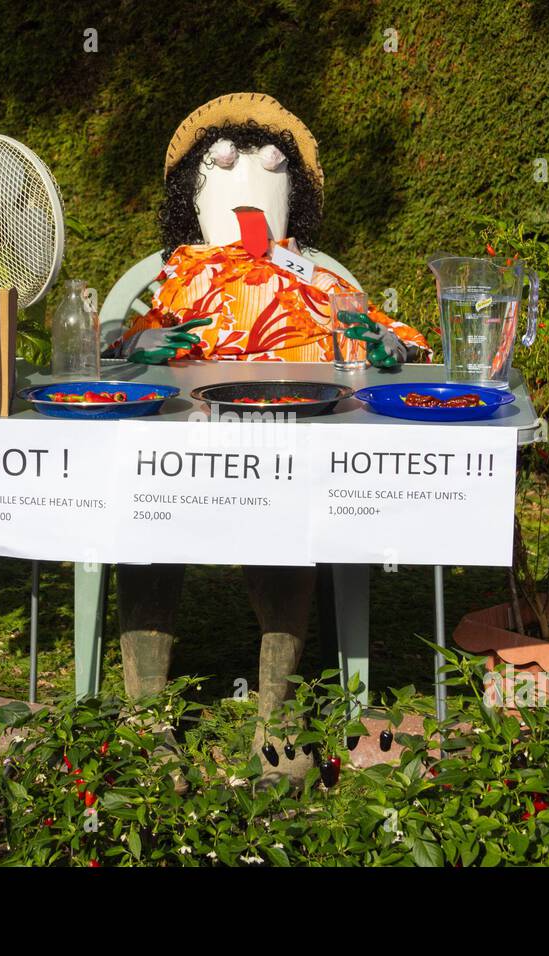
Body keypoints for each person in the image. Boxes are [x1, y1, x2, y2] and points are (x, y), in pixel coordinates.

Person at [106, 93, 431, 780]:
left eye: (271, 169)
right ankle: (145, 717)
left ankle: (276, 716)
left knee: (287, 524)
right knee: (143, 515)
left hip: (289, 437)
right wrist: (141, 339)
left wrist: (386, 342)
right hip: (185, 443)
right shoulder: (185, 276)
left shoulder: (310, 274)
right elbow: (119, 341)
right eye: (223, 167)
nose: (249, 185)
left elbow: (380, 334)